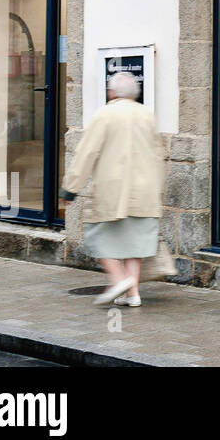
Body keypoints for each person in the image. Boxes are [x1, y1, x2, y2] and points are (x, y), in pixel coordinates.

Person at [60, 72, 166, 307]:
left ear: (112, 92)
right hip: (144, 193)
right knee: (135, 244)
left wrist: (70, 188)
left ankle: (119, 280)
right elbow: (160, 155)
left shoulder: (104, 115)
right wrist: (157, 187)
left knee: (98, 237)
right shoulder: (147, 115)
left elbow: (87, 153)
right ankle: (133, 294)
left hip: (113, 191)